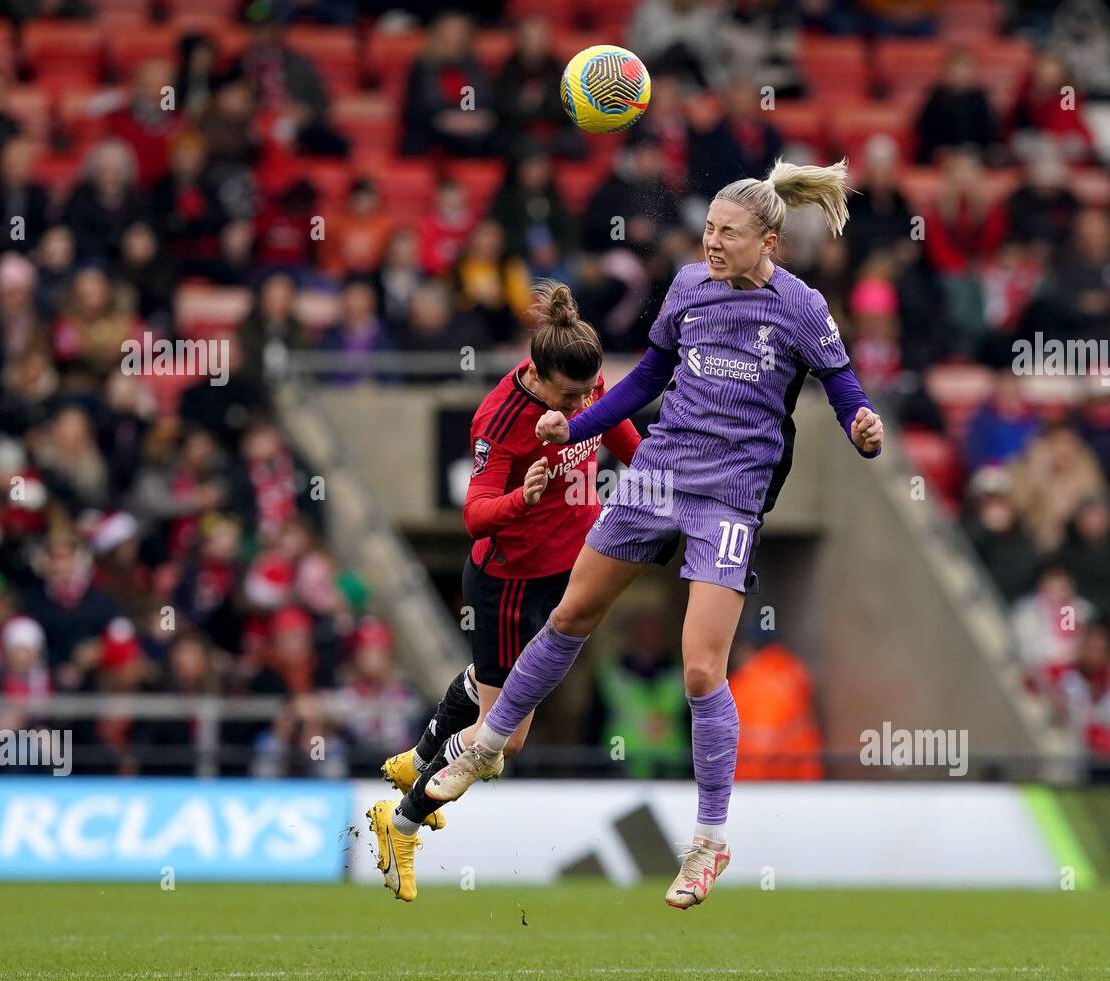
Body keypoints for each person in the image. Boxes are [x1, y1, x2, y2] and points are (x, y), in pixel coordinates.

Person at [419, 159, 883, 910]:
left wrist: (862, 424)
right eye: (707, 229)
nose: (712, 243)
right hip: (657, 474)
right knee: (570, 614)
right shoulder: (689, 287)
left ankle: (708, 840)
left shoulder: (800, 306)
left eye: (728, 234)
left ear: (770, 241)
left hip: (730, 496)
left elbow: (843, 384)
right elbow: (643, 383)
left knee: (701, 669)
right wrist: (579, 425)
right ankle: (484, 745)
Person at [366, 281, 640, 902]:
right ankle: (401, 821)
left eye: (586, 393)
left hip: (564, 570)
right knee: (506, 737)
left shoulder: (584, 382)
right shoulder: (501, 416)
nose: (578, 406)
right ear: (539, 378)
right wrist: (527, 497)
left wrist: (658, 482)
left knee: (490, 682)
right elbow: (474, 515)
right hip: (509, 582)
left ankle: (425, 751)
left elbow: (617, 429)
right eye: (568, 397)